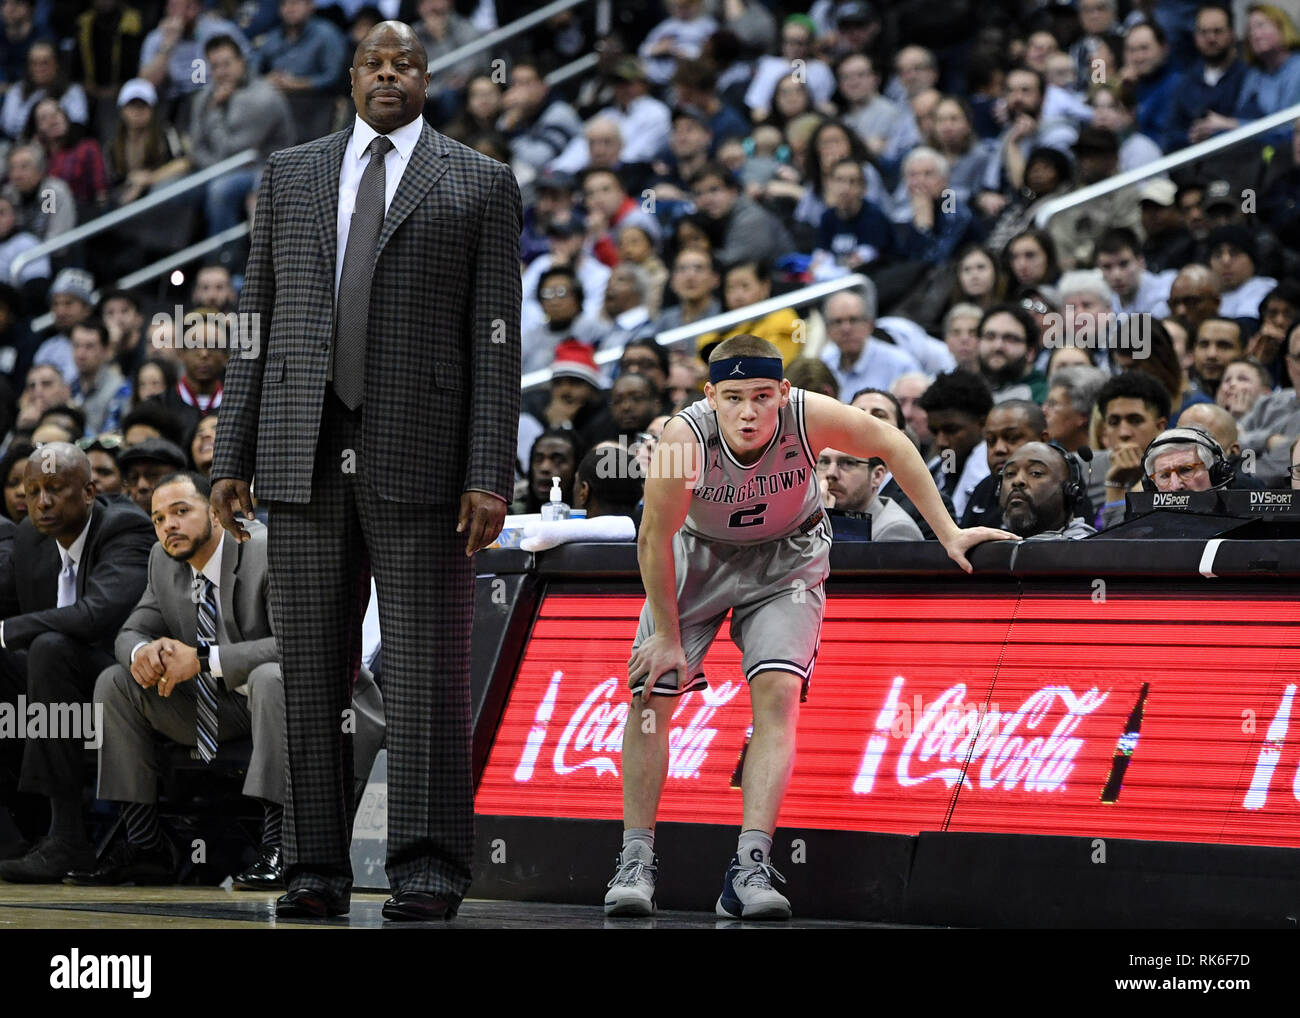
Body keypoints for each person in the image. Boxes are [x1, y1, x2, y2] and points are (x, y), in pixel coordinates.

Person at [209, 20, 521, 922]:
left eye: (407, 63)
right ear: (351, 79)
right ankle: (314, 867)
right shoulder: (292, 172)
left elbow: (495, 342)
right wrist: (233, 450)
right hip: (299, 447)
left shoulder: (479, 181)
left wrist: (488, 470)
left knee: (426, 672)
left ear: (429, 78)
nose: (390, 74)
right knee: (310, 673)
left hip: (424, 457)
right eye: (375, 64)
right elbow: (255, 322)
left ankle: (426, 866)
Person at [604, 334, 1016, 919]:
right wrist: (667, 637)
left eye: (763, 396)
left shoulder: (808, 415)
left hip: (786, 558)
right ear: (709, 395)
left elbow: (893, 443)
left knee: (778, 693)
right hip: (696, 556)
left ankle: (749, 865)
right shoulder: (681, 438)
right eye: (734, 397)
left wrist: (948, 532)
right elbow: (654, 538)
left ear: (785, 392)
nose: (749, 412)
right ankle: (636, 857)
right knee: (650, 694)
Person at [84, 471, 385, 887]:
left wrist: (204, 660)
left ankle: (282, 844)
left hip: (317, 700)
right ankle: (144, 844)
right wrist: (144, 653)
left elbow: (299, 646)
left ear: (213, 510)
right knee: (116, 682)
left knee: (268, 677)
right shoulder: (163, 559)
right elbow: (132, 630)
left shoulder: (265, 549)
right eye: (157, 519)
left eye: (180, 512)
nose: (168, 526)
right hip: (226, 706)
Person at [0, 444, 153, 881]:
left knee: (48, 646)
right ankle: (10, 830)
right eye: (33, 492)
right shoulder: (31, 536)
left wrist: (8, 631)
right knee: (36, 654)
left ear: (88, 492)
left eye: (55, 489)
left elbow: (96, 615)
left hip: (123, 685)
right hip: (53, 696)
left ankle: (67, 837)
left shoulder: (126, 528)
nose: (42, 502)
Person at [960, 400, 1049, 528]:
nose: (999, 449)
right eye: (991, 441)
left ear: (1042, 440)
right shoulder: (984, 489)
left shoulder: (1061, 485)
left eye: (1012, 438)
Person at [997, 441, 1097, 540]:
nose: (1017, 481)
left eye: (1036, 473)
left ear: (1069, 491)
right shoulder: (990, 547)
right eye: (1010, 473)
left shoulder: (1089, 551)